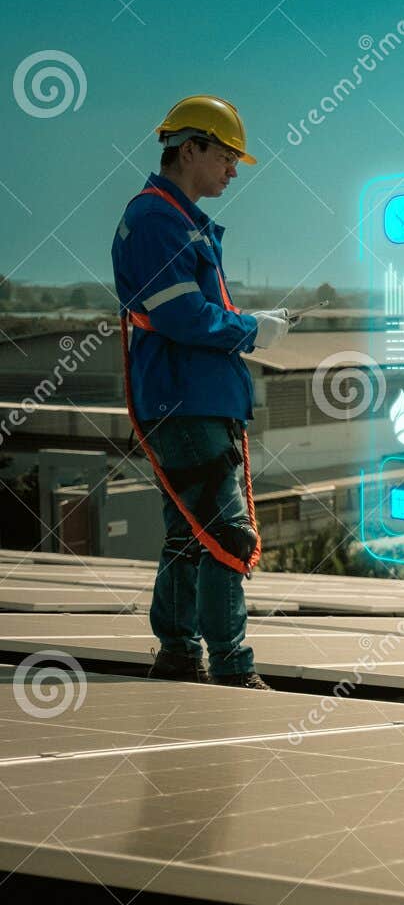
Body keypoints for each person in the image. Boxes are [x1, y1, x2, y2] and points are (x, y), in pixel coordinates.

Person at [110, 95, 291, 689]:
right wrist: (251, 330)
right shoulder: (159, 220)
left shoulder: (173, 219)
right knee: (224, 534)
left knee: (190, 533)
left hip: (189, 398)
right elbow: (186, 319)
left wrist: (248, 322)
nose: (233, 170)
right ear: (191, 149)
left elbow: (191, 312)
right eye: (228, 157)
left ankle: (181, 655)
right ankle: (233, 668)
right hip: (188, 401)